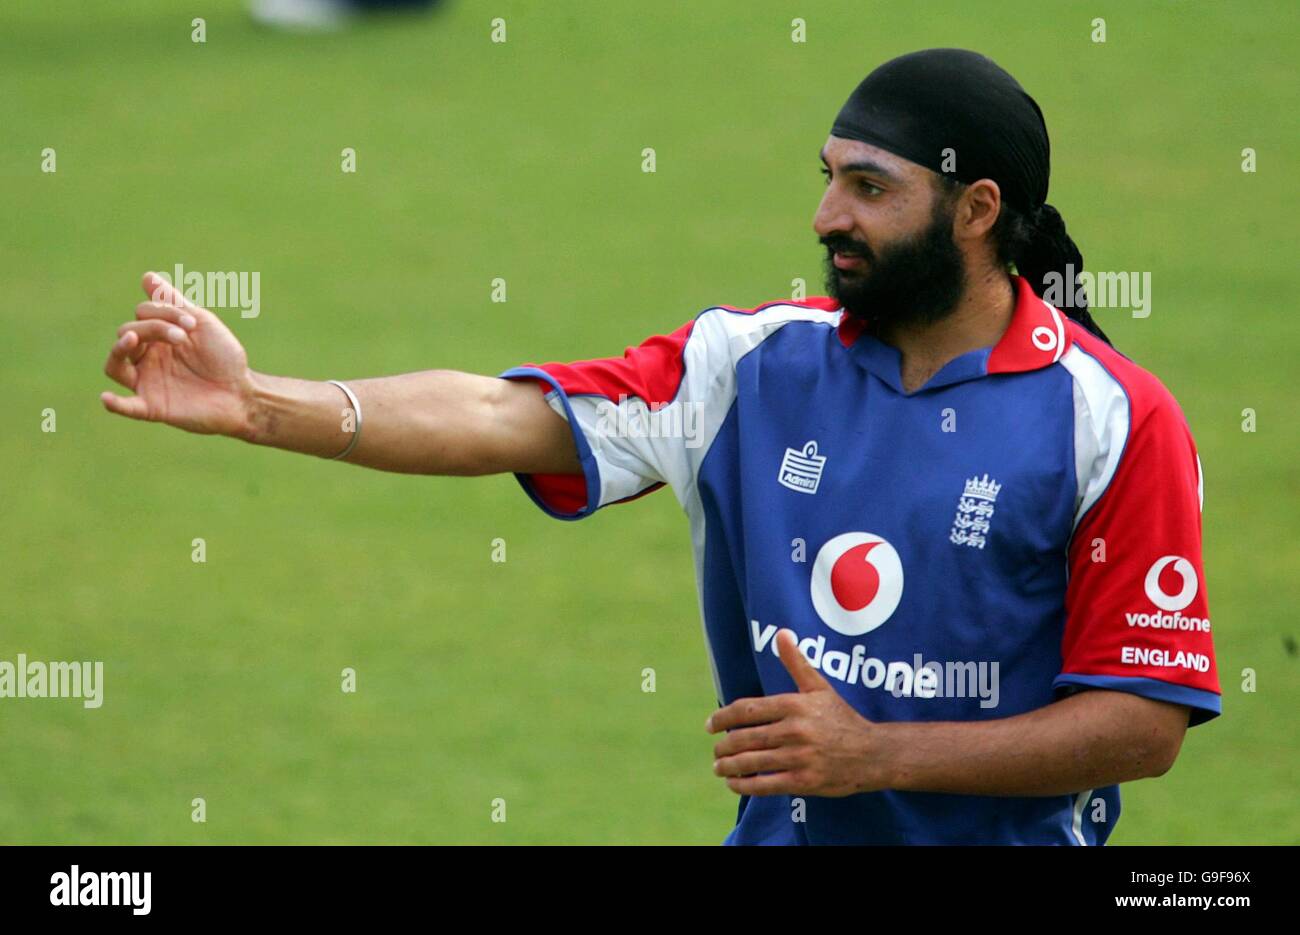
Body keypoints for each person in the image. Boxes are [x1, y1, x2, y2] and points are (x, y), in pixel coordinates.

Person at [101, 49, 1219, 845]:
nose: (827, 212)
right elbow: (502, 416)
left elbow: (1142, 721)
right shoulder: (754, 364)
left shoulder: (1111, 418)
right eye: (826, 174)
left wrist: (879, 755)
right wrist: (262, 403)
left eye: (868, 186)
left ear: (977, 210)